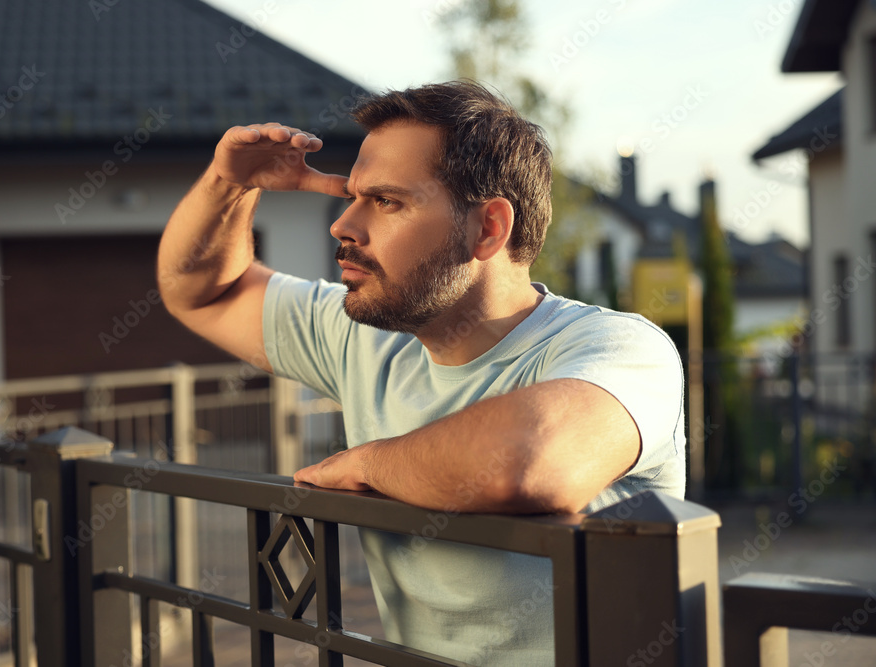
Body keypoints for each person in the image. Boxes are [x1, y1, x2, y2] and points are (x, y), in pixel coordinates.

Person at [158, 80, 686, 665]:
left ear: (488, 229)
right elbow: (200, 290)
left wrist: (369, 463)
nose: (342, 225)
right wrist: (228, 186)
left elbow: (531, 461)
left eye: (386, 202)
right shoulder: (365, 338)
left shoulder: (619, 346)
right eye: (353, 196)